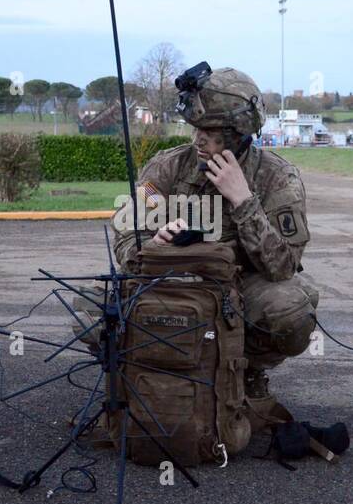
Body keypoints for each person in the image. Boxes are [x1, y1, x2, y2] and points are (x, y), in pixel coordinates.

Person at [114, 64, 319, 419]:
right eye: (197, 130)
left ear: (238, 133)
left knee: (291, 312)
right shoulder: (168, 167)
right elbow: (125, 230)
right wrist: (149, 246)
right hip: (173, 284)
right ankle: (153, 374)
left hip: (240, 288)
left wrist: (244, 201)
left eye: (210, 132)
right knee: (92, 312)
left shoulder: (276, 178)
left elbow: (283, 266)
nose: (199, 140)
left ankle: (246, 371)